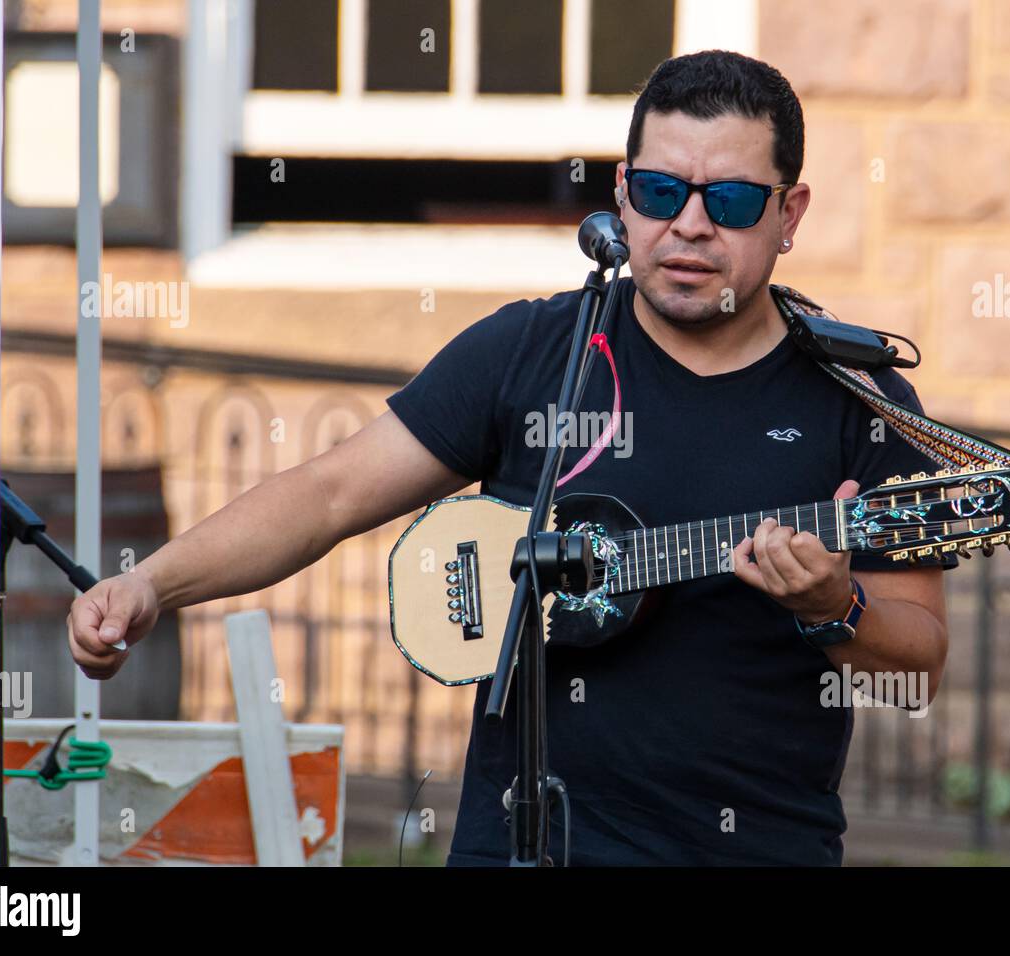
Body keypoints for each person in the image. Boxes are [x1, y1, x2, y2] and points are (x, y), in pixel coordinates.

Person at [68, 50, 953, 866]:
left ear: (789, 213)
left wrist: (837, 607)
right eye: (657, 191)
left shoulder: (857, 405)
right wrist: (153, 583)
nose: (687, 227)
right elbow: (330, 493)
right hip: (521, 840)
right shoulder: (535, 352)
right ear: (620, 192)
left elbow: (916, 669)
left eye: (728, 202)